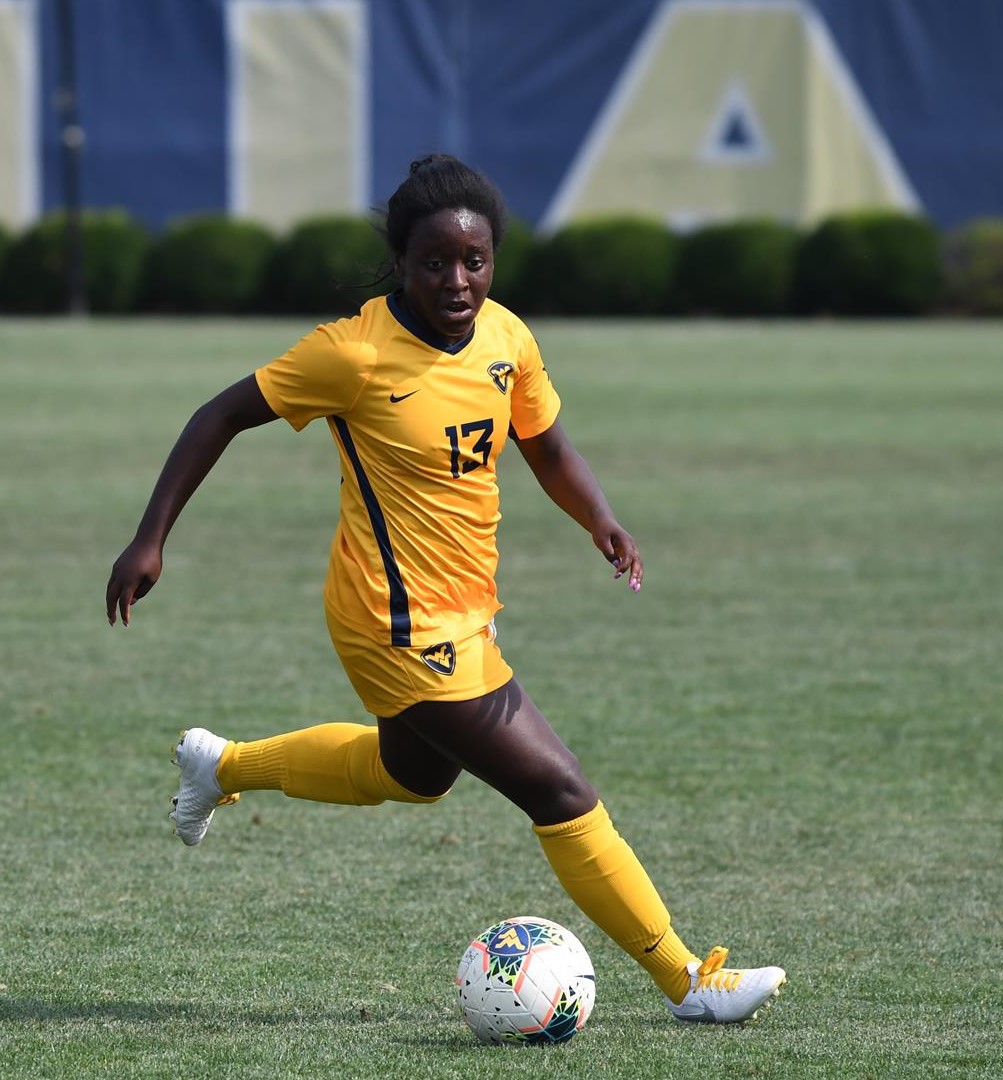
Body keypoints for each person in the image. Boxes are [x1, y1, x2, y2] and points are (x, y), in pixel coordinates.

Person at [105, 154, 786, 1024]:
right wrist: (150, 535)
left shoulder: (506, 337)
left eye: (475, 261)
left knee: (414, 774)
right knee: (560, 791)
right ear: (401, 261)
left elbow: (544, 443)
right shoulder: (351, 353)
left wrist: (598, 517)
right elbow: (220, 415)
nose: (457, 280)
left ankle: (222, 764)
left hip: (463, 609)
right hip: (393, 620)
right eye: (435, 261)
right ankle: (688, 981)